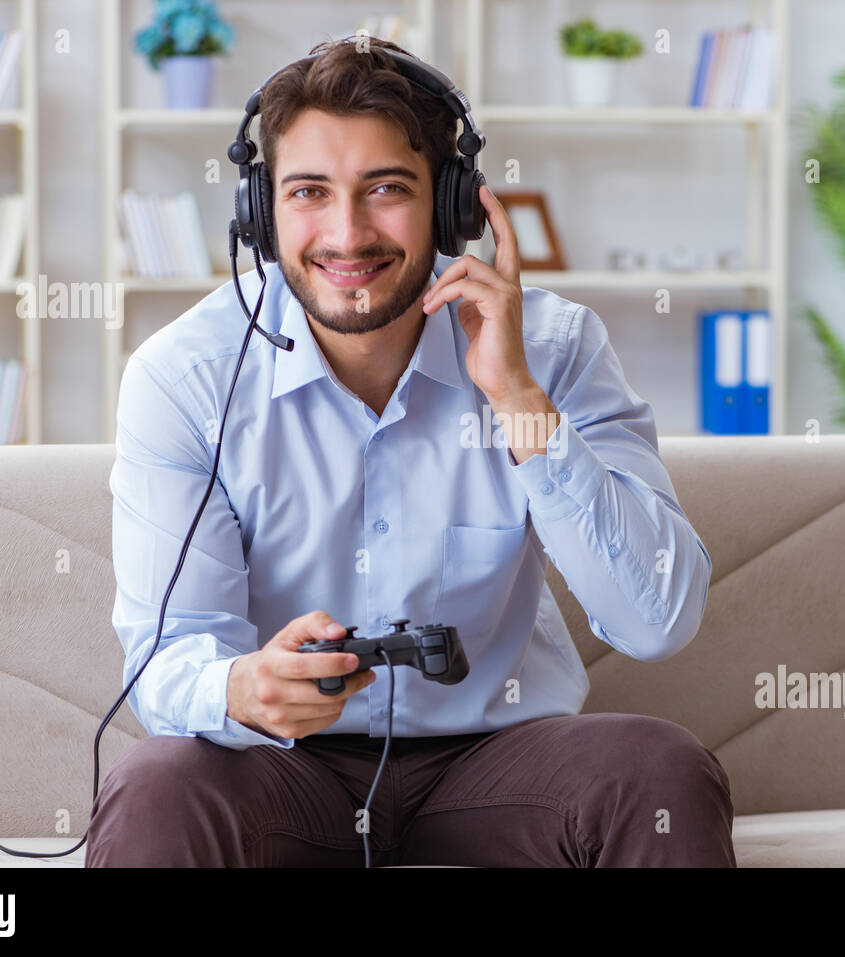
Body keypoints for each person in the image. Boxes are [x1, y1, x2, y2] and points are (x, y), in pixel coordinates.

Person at [87, 36, 734, 867]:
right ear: (260, 210)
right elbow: (169, 656)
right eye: (309, 192)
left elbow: (659, 621)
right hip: (281, 765)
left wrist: (517, 400)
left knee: (659, 771)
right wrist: (241, 688)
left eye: (386, 189)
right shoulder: (186, 377)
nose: (347, 234)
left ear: (452, 205)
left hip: (494, 757)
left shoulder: (554, 346)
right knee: (156, 785)